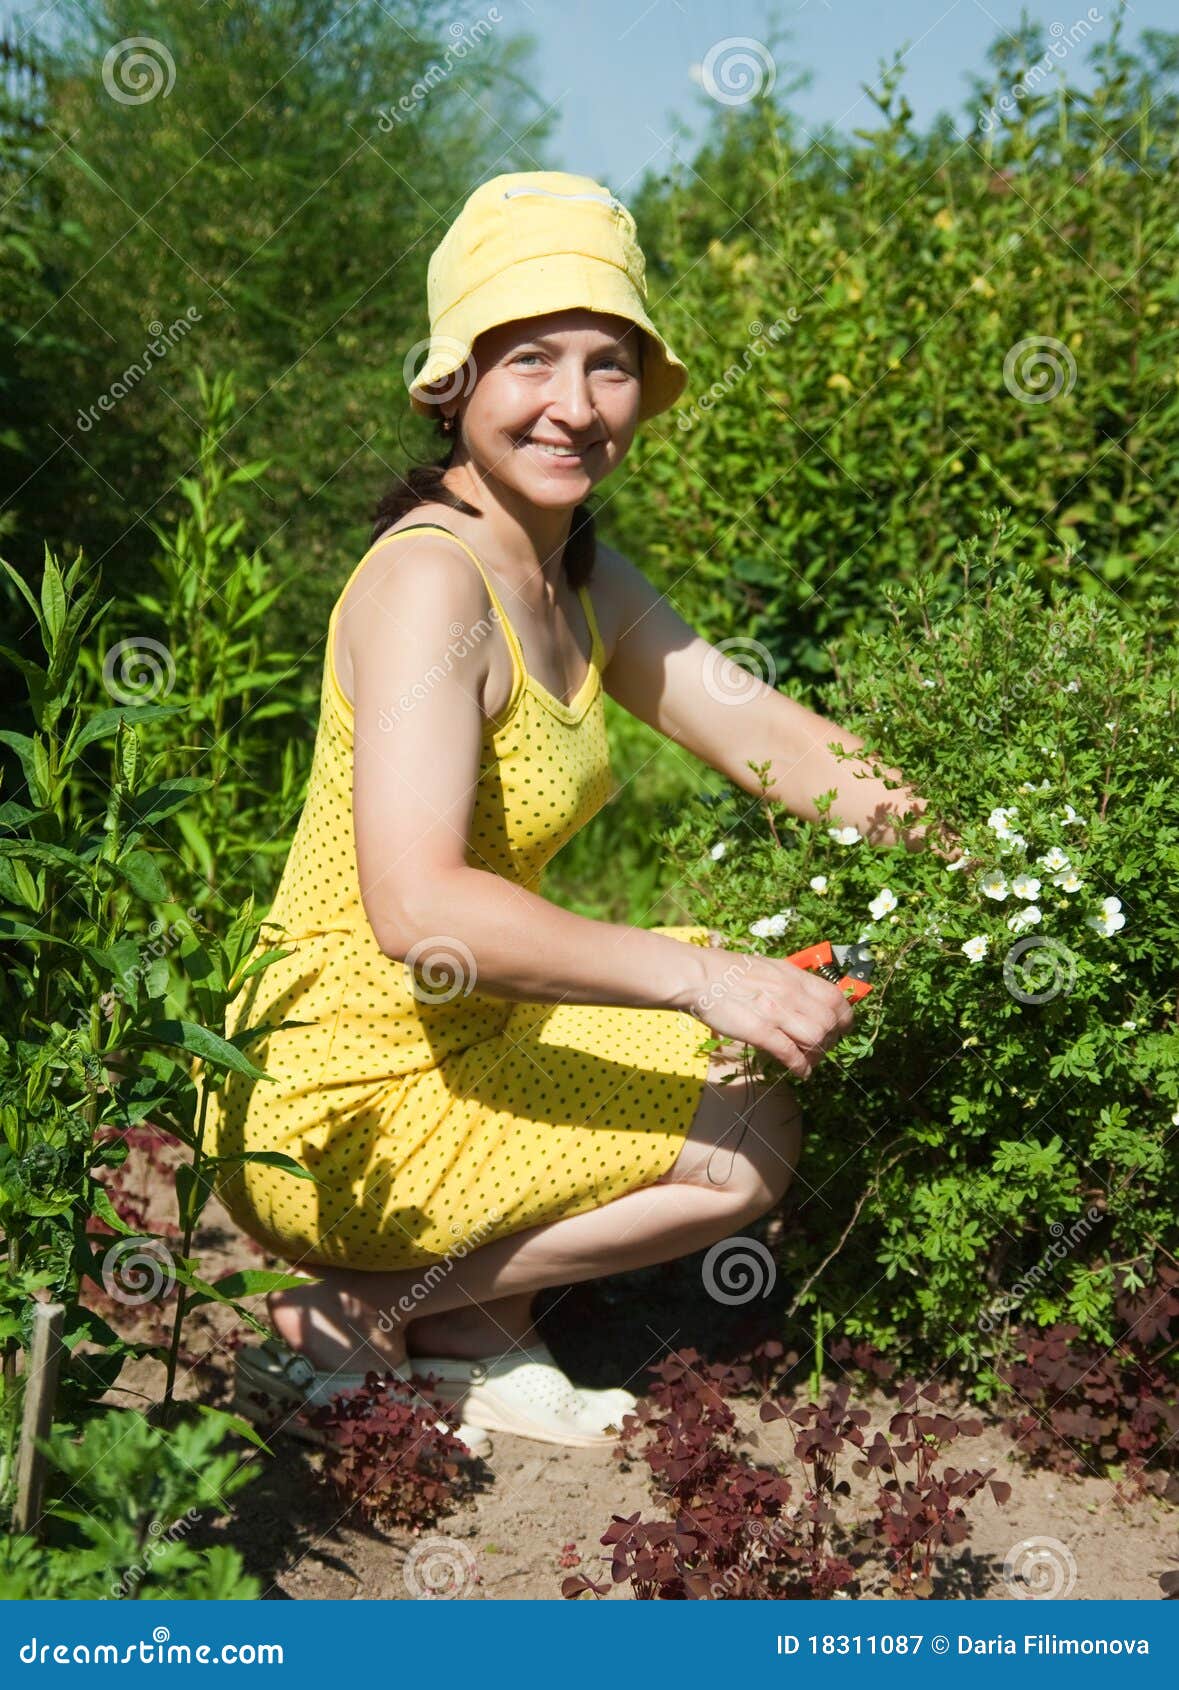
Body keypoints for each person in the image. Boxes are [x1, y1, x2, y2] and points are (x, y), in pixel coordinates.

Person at [208, 170, 935, 1456]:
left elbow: (757, 728)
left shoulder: (577, 571)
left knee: (743, 1063)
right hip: (340, 1095)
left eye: (609, 365)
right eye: (531, 358)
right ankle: (355, 1313)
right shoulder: (432, 585)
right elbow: (417, 903)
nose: (576, 405)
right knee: (745, 1144)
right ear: (455, 383)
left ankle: (469, 1329)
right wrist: (706, 974)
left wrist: (964, 844)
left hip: (476, 1038)